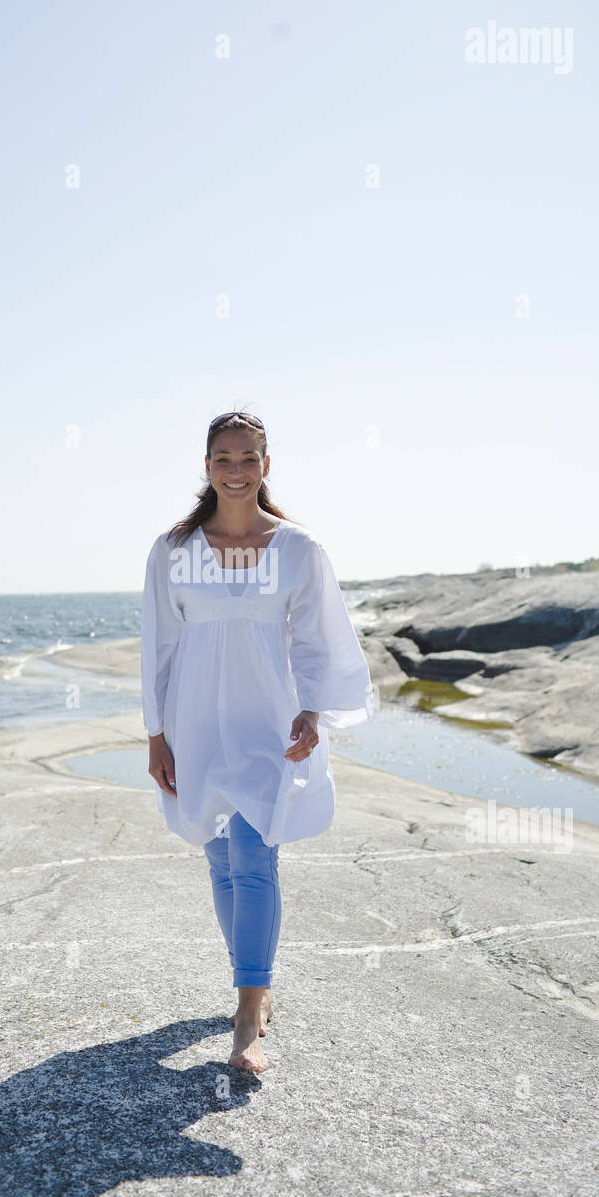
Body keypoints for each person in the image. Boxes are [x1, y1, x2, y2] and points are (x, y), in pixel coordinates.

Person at [141, 411, 374, 1074]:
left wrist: (312, 711)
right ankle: (254, 981)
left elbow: (319, 637)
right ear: (206, 466)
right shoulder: (173, 548)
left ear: (266, 465)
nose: (236, 471)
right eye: (223, 458)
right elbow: (158, 644)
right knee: (218, 855)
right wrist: (156, 732)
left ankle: (249, 1010)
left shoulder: (299, 548)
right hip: (195, 720)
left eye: (248, 458)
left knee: (253, 852)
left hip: (269, 722)